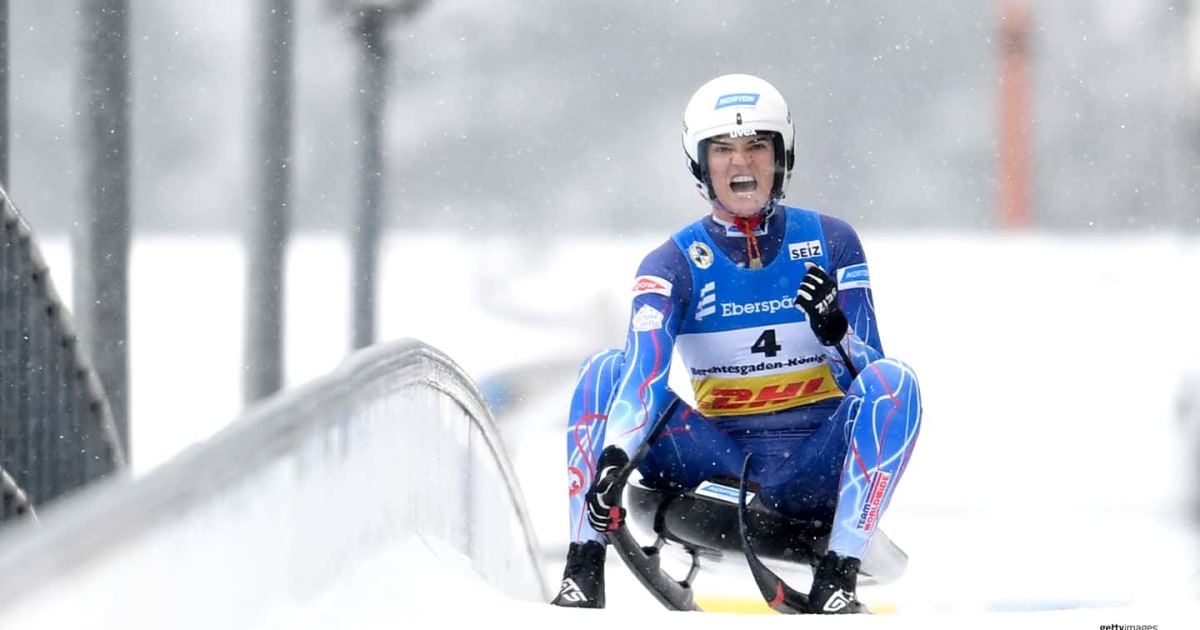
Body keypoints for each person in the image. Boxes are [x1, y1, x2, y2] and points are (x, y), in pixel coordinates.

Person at [549, 73, 923, 614]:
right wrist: (613, 458)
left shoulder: (832, 241)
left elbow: (873, 383)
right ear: (701, 164)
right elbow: (641, 377)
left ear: (781, 158)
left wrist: (836, 333)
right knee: (604, 369)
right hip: (718, 456)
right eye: (723, 149)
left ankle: (837, 578)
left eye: (756, 147)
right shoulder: (670, 264)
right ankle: (582, 566)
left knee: (899, 382)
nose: (740, 163)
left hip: (810, 468)